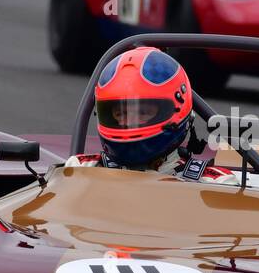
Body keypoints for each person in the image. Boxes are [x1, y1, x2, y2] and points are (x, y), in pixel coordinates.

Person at [66, 47, 232, 179]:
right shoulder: (79, 169)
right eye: (120, 113)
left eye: (143, 112)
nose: (129, 122)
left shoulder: (212, 184)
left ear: (178, 110)